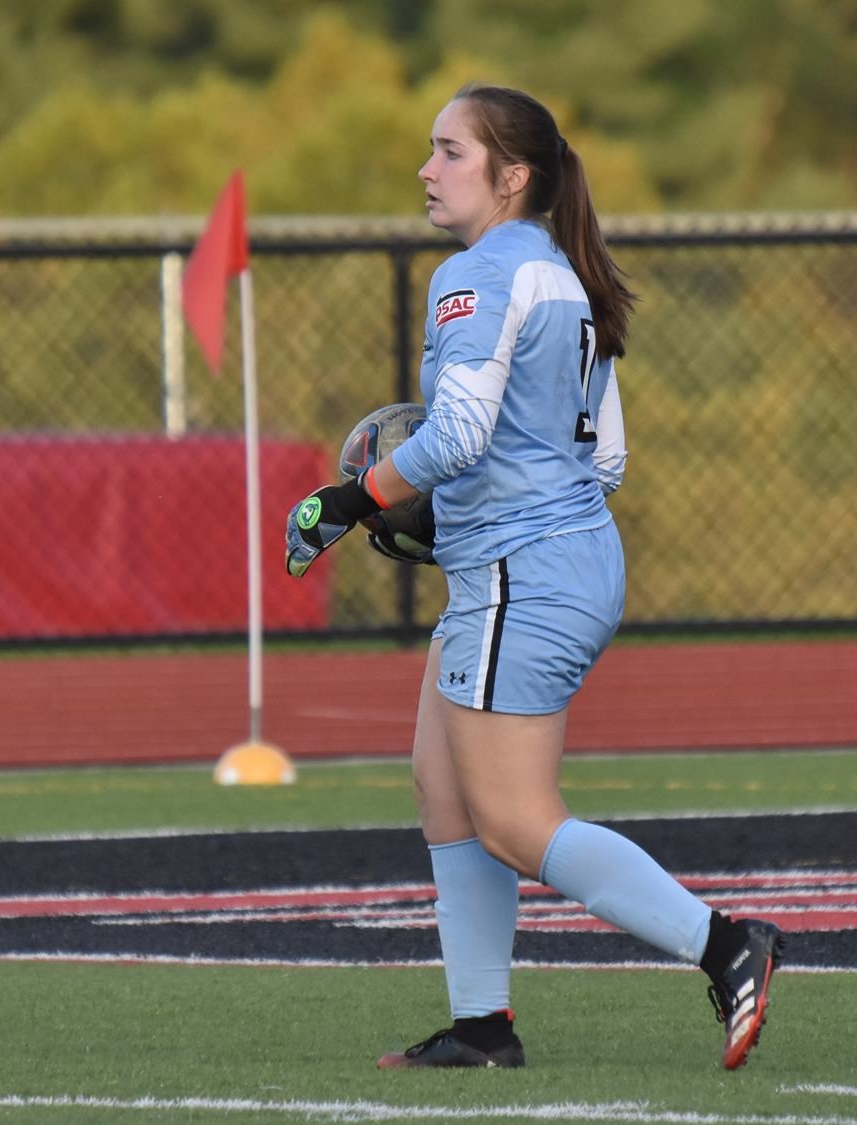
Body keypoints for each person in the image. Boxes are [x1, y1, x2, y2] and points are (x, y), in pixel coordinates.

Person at [283, 83, 785, 1072]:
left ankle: (725, 945)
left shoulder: (476, 274)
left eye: (448, 152)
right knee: (443, 789)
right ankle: (481, 1028)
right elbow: (600, 464)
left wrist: (356, 499)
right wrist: (458, 513)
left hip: (524, 573)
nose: (426, 170)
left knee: (516, 822)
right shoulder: (565, 275)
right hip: (550, 560)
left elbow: (460, 434)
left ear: (511, 176)